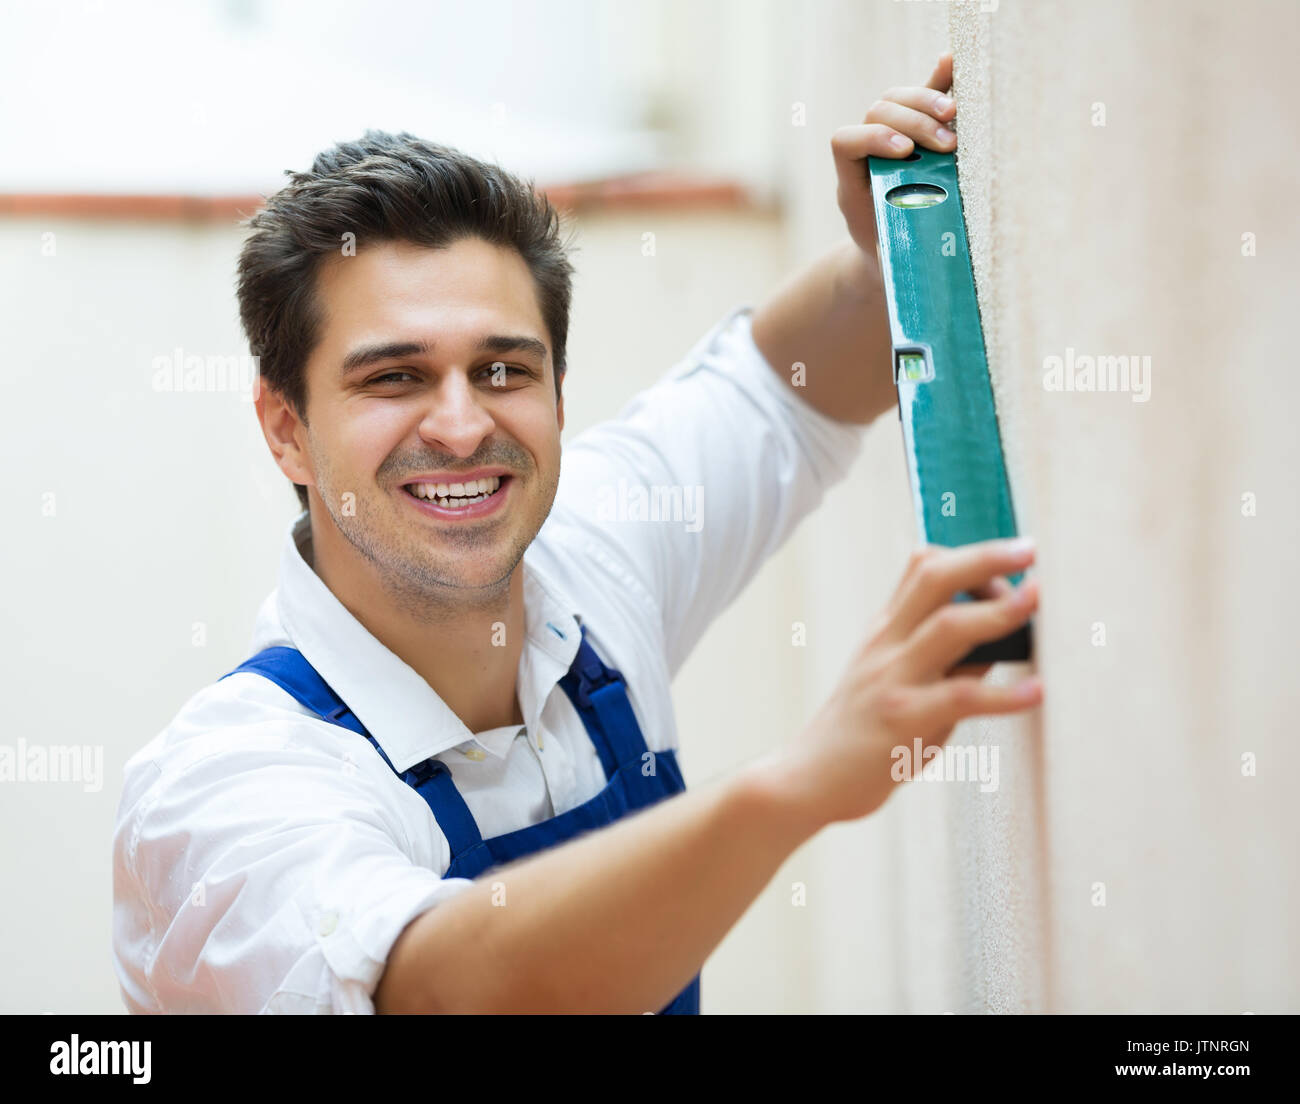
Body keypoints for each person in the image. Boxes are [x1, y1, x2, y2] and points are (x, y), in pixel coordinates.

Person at [111, 53, 1041, 1014]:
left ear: (560, 389)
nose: (464, 426)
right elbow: (442, 989)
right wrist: (802, 780)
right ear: (286, 428)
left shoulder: (595, 559)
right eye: (393, 378)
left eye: (505, 369)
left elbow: (783, 394)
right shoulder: (222, 793)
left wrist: (884, 247)